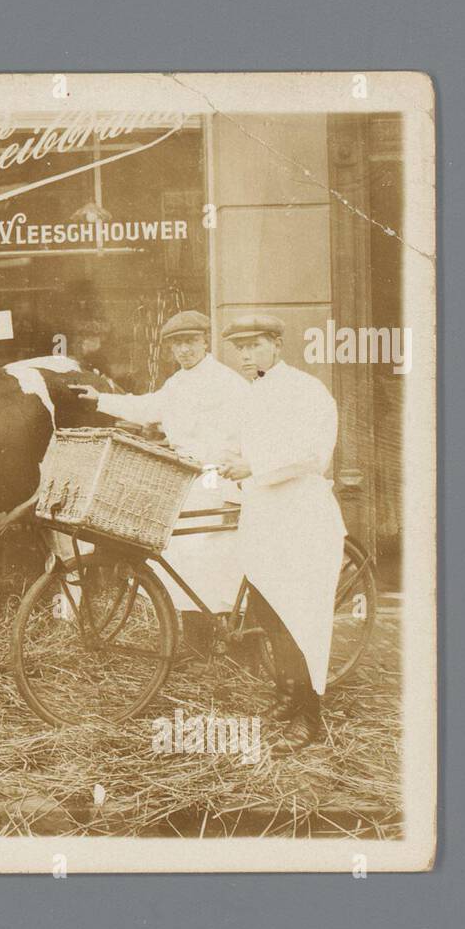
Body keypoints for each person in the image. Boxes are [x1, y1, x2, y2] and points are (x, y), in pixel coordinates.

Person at [71, 310, 250, 653]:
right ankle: (198, 645)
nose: (184, 351)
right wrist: (100, 400)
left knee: (214, 562)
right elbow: (150, 406)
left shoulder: (228, 383)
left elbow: (240, 437)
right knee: (182, 562)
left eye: (190, 342)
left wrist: (226, 482)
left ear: (204, 342)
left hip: (217, 477)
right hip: (187, 477)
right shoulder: (179, 382)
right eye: (177, 345)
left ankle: (238, 647)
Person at [217, 314, 346, 753]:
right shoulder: (253, 396)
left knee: (302, 617)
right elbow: (239, 445)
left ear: (276, 344)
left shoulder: (306, 390)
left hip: (303, 519)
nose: (246, 354)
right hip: (265, 518)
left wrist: (254, 465)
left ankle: (311, 715)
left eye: (254, 345)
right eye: (240, 348)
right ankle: (289, 695)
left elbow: (313, 453)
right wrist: (226, 458)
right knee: (270, 613)